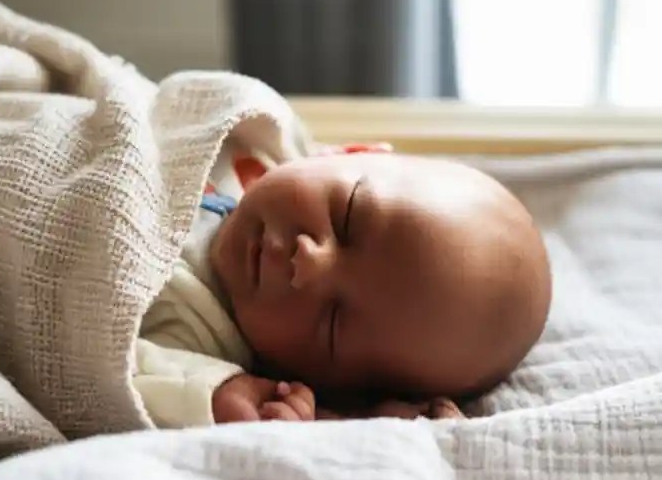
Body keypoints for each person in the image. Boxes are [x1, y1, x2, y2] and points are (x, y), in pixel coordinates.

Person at [133, 141, 552, 427]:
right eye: (348, 214)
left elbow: (112, 376)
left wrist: (218, 394)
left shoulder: (198, 337)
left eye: (332, 322)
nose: (308, 263)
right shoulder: (252, 145)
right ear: (351, 151)